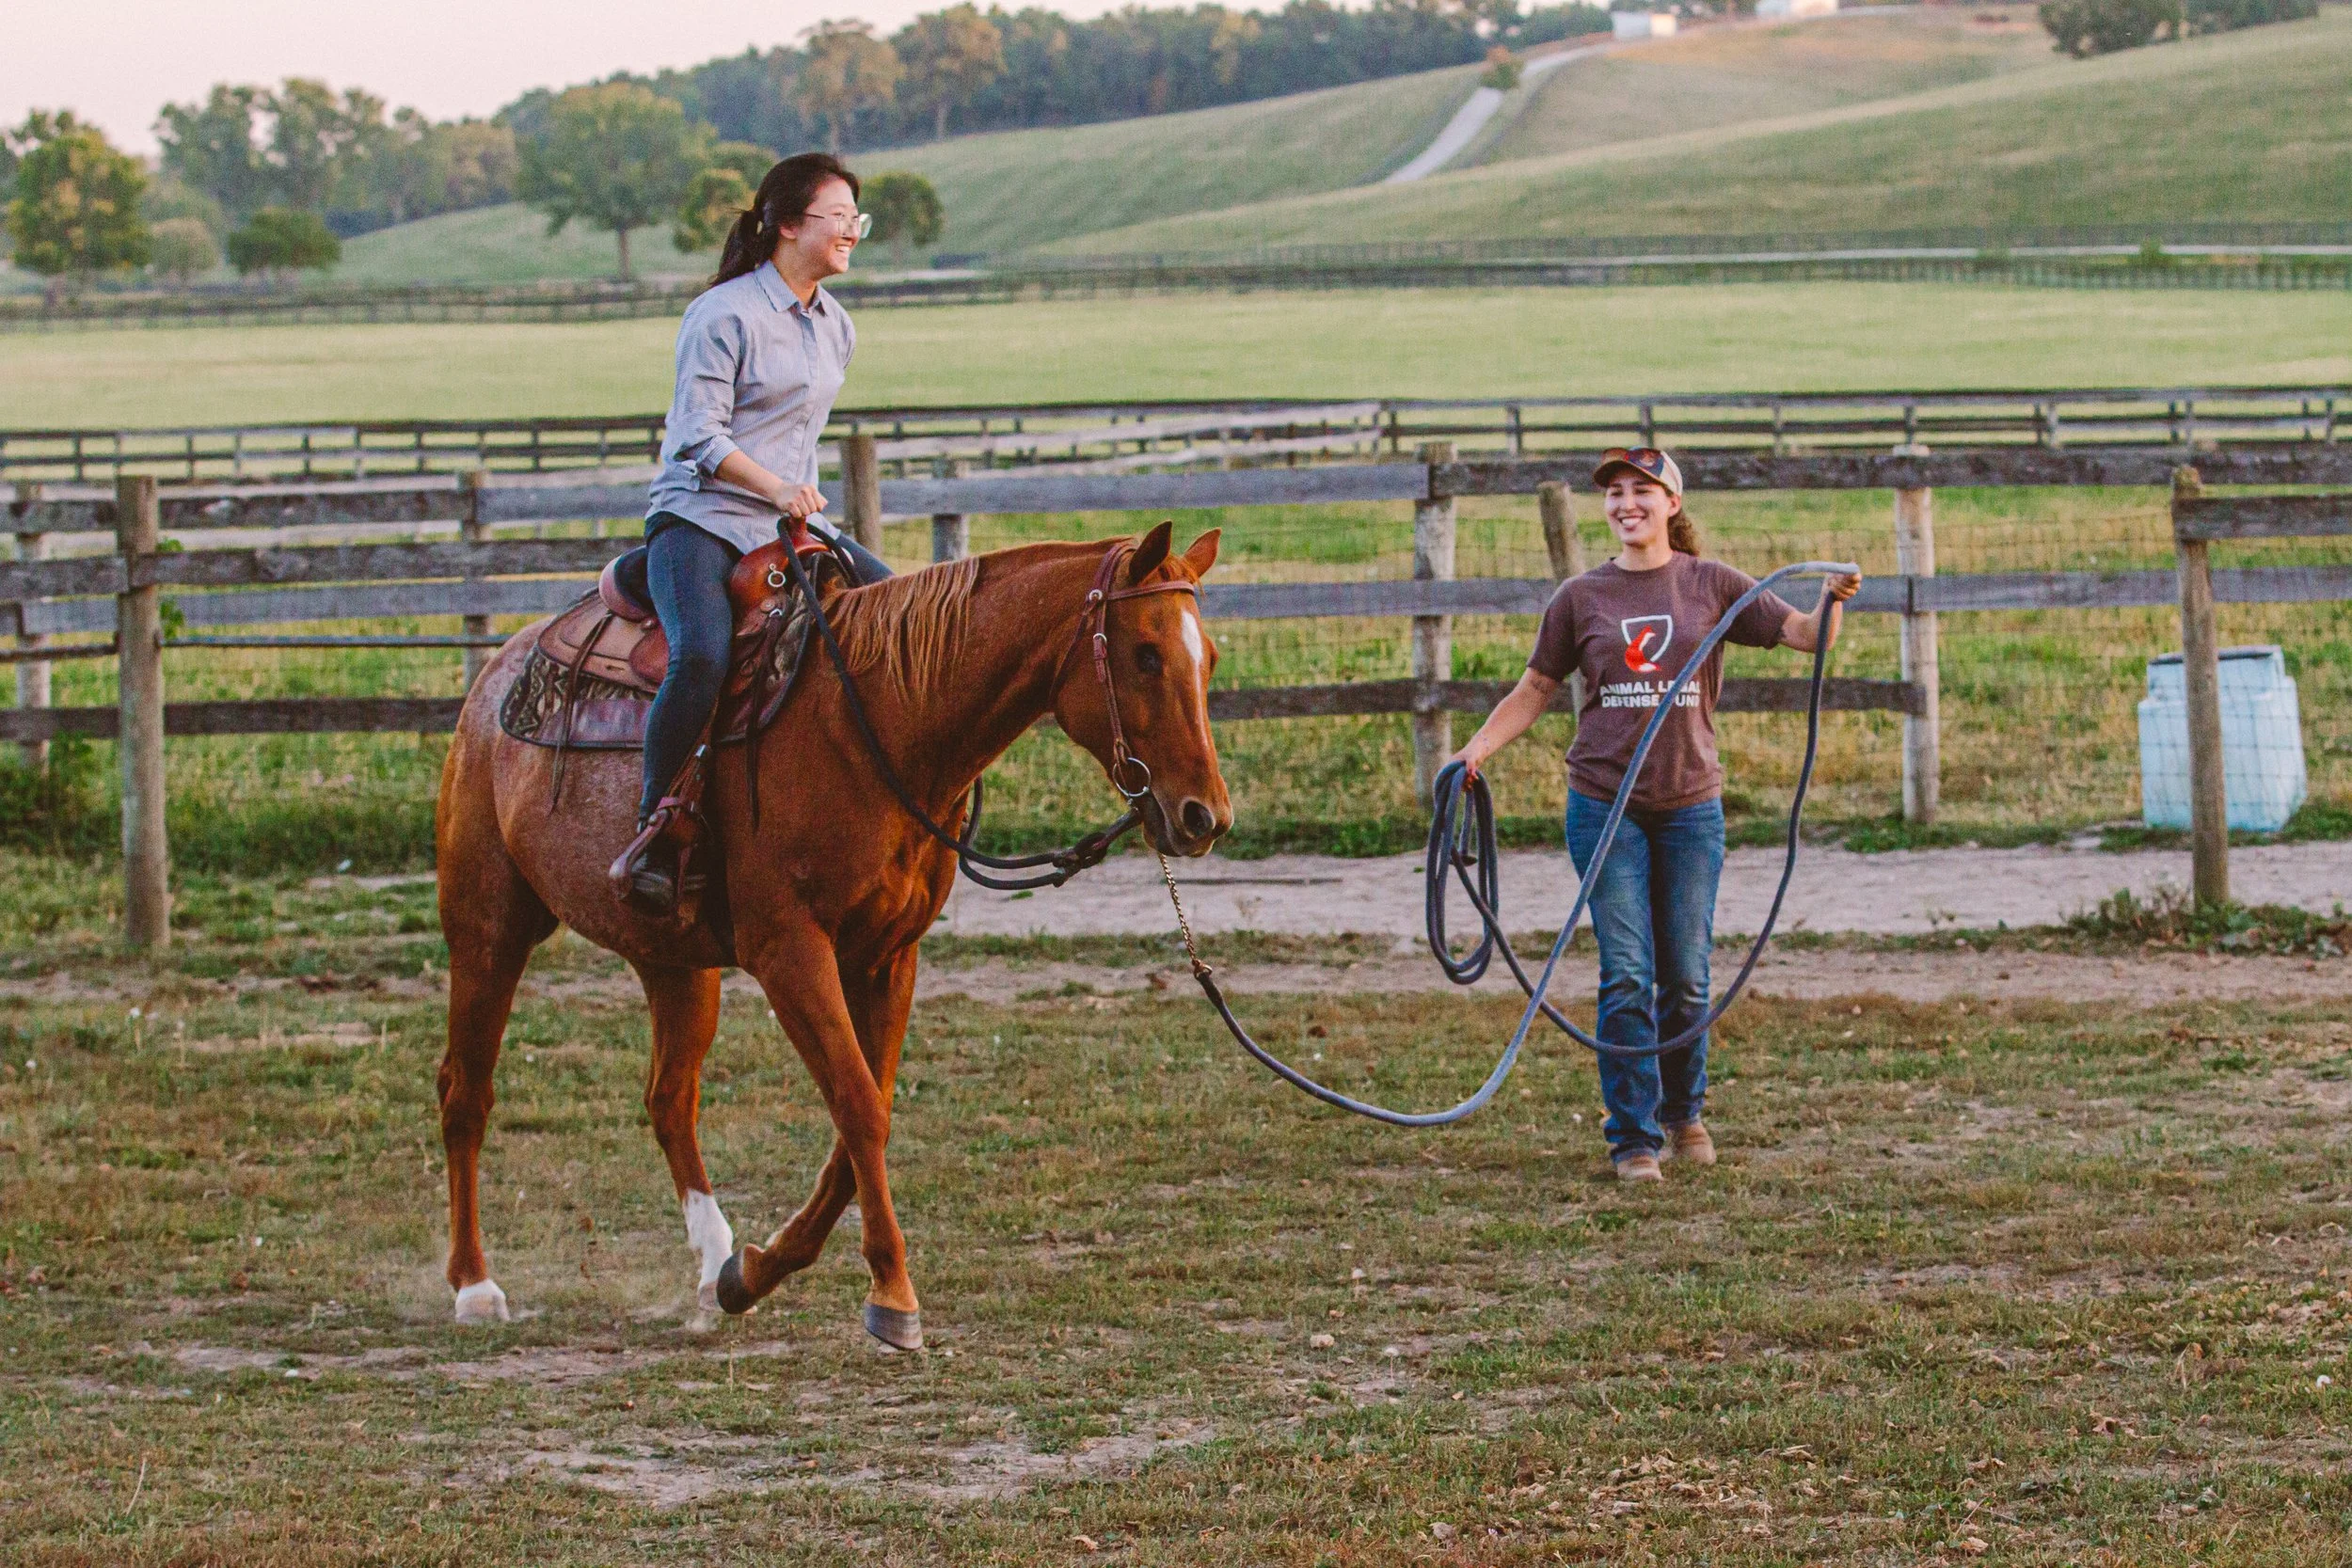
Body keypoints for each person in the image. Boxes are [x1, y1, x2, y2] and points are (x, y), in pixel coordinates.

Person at [1449, 448, 1860, 1182]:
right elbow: (1537, 686)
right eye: (1615, 492)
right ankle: (1634, 1138)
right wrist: (1475, 749)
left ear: (1672, 502)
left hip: (1691, 808)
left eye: (1642, 489)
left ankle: (1684, 1112)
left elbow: (1807, 635)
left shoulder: (1713, 583)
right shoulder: (1580, 596)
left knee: (1688, 974)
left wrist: (1832, 598)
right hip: (1604, 806)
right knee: (1628, 972)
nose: (1626, 503)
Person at [619, 151, 892, 914]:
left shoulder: (837, 326)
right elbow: (695, 434)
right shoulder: (723, 314)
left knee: (899, 617)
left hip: (793, 525)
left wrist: (792, 500)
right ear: (787, 224)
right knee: (702, 656)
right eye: (839, 218)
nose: (852, 232)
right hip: (702, 518)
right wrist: (774, 486)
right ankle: (655, 831)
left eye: (857, 220)